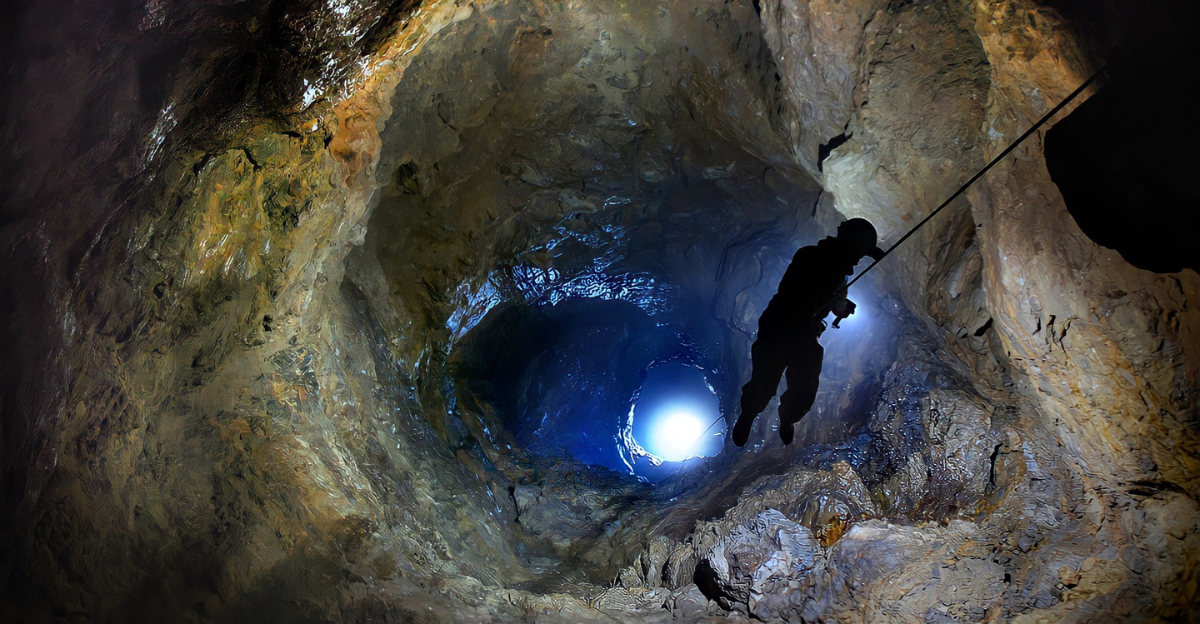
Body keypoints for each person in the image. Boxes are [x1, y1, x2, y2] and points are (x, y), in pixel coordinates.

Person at [732, 218, 884, 447]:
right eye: (858, 254)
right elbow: (807, 287)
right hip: (781, 323)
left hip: (805, 330)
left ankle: (788, 418)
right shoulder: (810, 256)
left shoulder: (839, 274)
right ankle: (749, 413)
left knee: (805, 386)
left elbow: (836, 300)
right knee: (764, 380)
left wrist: (842, 307)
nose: (856, 261)